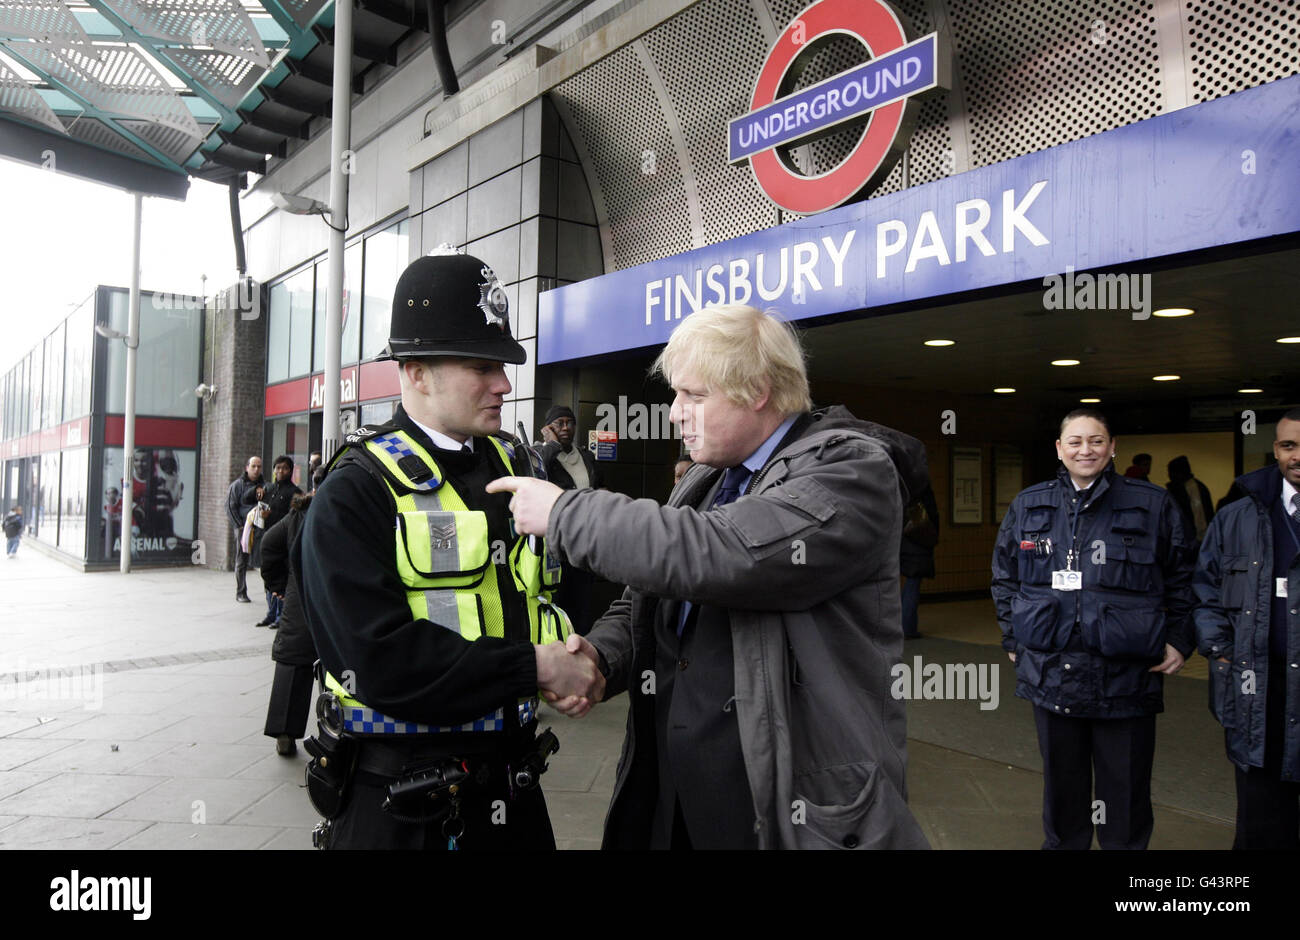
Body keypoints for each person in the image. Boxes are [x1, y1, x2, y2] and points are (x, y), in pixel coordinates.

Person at [490, 303, 931, 850]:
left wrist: (565, 513)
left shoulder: (850, 472)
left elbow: (722, 553)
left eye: (694, 396)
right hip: (674, 793)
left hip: (782, 804)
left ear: (759, 390)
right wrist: (600, 658)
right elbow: (647, 599)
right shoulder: (706, 477)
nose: (675, 414)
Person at [294, 246, 602, 850]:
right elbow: (375, 660)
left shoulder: (517, 467)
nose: (505, 384)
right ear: (415, 371)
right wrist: (536, 667)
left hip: (513, 788)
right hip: (406, 808)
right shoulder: (355, 490)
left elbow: (536, 589)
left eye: (504, 364)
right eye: (481, 367)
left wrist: (575, 652)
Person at [991, 408, 1195, 850]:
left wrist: (1180, 639)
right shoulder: (1029, 504)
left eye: (1096, 441)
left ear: (1113, 447)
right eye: (1076, 441)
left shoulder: (1152, 504)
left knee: (1124, 798)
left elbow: (1184, 576)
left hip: (1126, 678)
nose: (1087, 450)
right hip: (1052, 673)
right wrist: (1013, 635)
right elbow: (1005, 576)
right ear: (1060, 449)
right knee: (1063, 796)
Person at [1193, 407, 1300, 849]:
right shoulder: (1237, 517)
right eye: (1288, 446)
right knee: (1259, 818)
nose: (1297, 456)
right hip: (1257, 688)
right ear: (1274, 449)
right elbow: (1204, 587)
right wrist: (1219, 647)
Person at [262, 465, 327, 756]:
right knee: (347, 666)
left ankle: (285, 732)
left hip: (300, 597)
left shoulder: (299, 513)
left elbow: (268, 544)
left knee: (293, 661)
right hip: (342, 600)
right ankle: (342, 731)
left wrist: (278, 583)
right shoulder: (355, 507)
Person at [535, 404, 602, 635]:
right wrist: (551, 445)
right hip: (556, 542)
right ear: (548, 428)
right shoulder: (540, 454)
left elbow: (598, 489)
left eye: (569, 422)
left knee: (582, 602)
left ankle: (582, 643)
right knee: (558, 599)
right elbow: (536, 472)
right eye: (559, 423)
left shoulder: (586, 456)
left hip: (585, 540)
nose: (565, 427)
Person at [257, 456, 301, 627]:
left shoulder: (294, 492)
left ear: (290, 471)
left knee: (281, 579)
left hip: (283, 543)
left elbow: (294, 518)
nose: (280, 471)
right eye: (278, 468)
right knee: (268, 578)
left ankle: (280, 615)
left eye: (284, 468)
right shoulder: (268, 489)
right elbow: (248, 499)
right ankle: (270, 612)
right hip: (267, 540)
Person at [899, 483, 940, 639]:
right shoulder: (920, 493)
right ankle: (908, 627)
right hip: (918, 548)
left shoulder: (902, 491)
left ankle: (905, 625)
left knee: (909, 585)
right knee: (913, 586)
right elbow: (929, 520)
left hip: (905, 546)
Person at [226, 456, 263, 603]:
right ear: (247, 467)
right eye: (253, 466)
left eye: (259, 466)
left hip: (260, 527)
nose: (256, 469)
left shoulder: (265, 486)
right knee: (241, 560)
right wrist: (239, 526)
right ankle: (241, 592)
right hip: (243, 527)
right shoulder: (237, 486)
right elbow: (230, 506)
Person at [1167, 455, 1215, 545]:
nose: (1169, 476)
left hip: (1191, 540)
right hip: (1199, 538)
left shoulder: (1185, 489)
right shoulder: (1197, 487)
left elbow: (1198, 517)